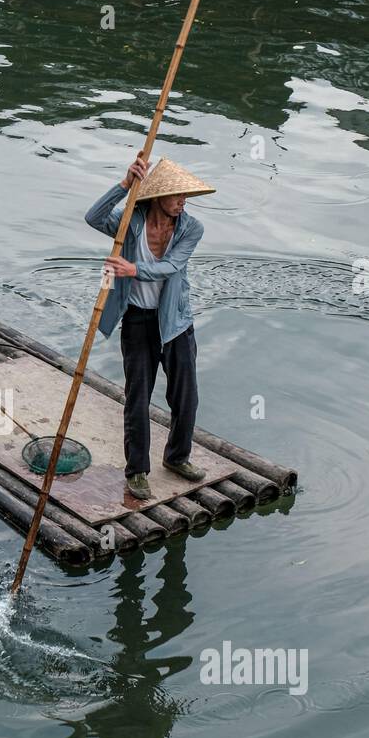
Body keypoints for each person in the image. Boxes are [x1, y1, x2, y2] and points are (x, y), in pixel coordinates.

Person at [85, 153, 215, 500]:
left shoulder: (191, 228)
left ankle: (177, 458)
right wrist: (124, 185)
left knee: (185, 397)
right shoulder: (131, 220)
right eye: (177, 196)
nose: (182, 202)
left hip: (175, 322)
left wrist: (133, 269)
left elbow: (171, 266)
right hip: (138, 320)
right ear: (157, 196)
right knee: (137, 397)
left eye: (186, 196)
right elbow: (93, 216)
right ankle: (137, 471)